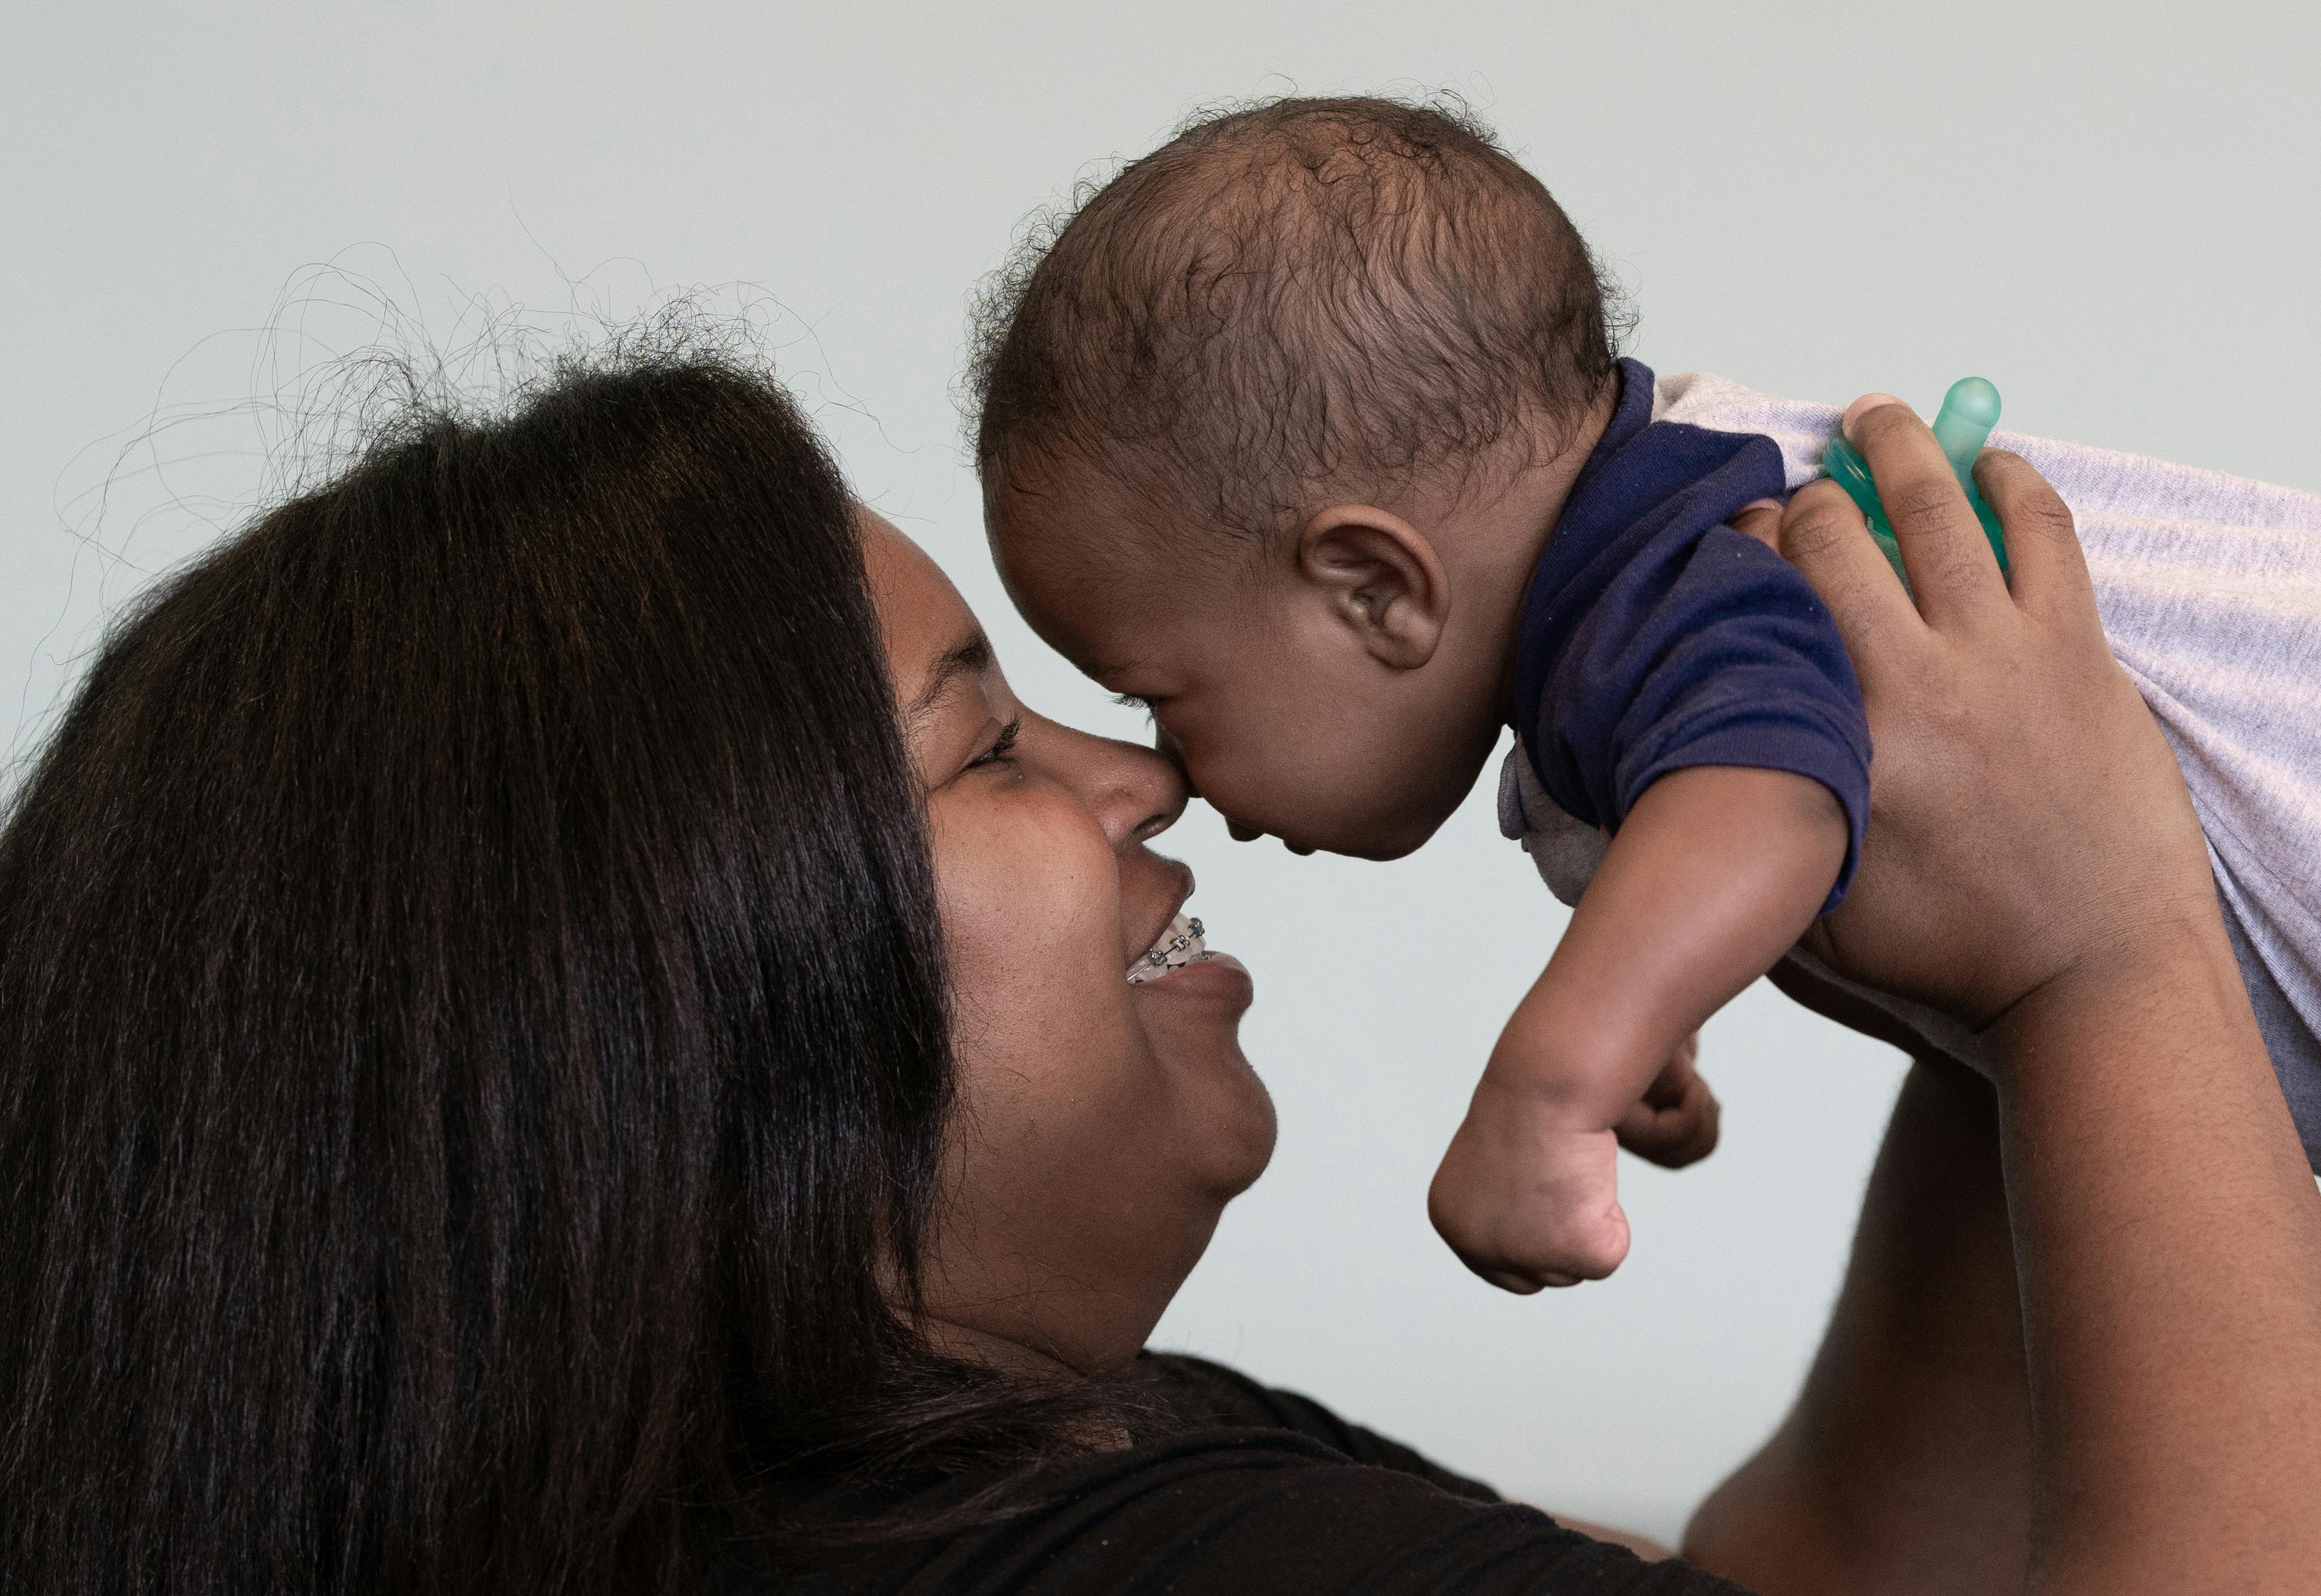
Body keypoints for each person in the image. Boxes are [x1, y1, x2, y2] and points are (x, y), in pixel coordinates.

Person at [4, 344, 2318, 1596]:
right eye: (979, 743)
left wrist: (2016, 1010)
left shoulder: (1040, 1476)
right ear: (664, 1018)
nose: (1139, 781)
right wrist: (2101, 956)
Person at [971, 96, 2321, 1293]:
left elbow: (1770, 787)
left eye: (1159, 698)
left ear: (1376, 589)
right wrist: (1660, 986)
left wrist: (1554, 1074)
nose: (1172, 776)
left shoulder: (1671, 574)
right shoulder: (1645, 576)